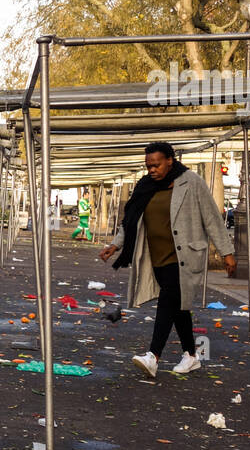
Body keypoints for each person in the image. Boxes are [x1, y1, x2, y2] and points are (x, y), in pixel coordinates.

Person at [99, 141, 237, 379]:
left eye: (156, 165)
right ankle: (191, 356)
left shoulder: (191, 182)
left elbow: (212, 218)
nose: (152, 170)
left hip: (184, 257)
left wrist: (227, 252)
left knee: (167, 300)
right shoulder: (145, 186)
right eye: (148, 166)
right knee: (178, 306)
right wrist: (115, 245)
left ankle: (153, 356)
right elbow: (130, 221)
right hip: (156, 257)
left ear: (170, 160)